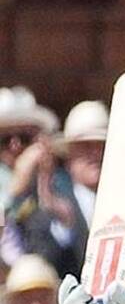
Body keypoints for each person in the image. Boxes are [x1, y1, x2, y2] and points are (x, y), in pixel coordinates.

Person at [3, 100, 108, 278]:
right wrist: (15, 189)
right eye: (4, 141)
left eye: (25, 139)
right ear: (68, 153)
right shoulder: (43, 205)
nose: (95, 154)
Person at [0, 86, 57, 211]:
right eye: (5, 139)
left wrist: (46, 187)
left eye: (24, 137)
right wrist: (18, 183)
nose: (15, 146)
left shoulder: (59, 180)